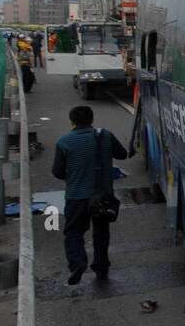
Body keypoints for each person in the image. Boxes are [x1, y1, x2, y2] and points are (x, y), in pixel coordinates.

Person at [52, 105, 128, 284]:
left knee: (74, 232)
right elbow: (122, 155)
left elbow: (57, 172)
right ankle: (101, 267)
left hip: (76, 196)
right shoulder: (105, 136)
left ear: (71, 122)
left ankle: (78, 262)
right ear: (92, 120)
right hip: (103, 196)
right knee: (101, 233)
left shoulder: (64, 142)